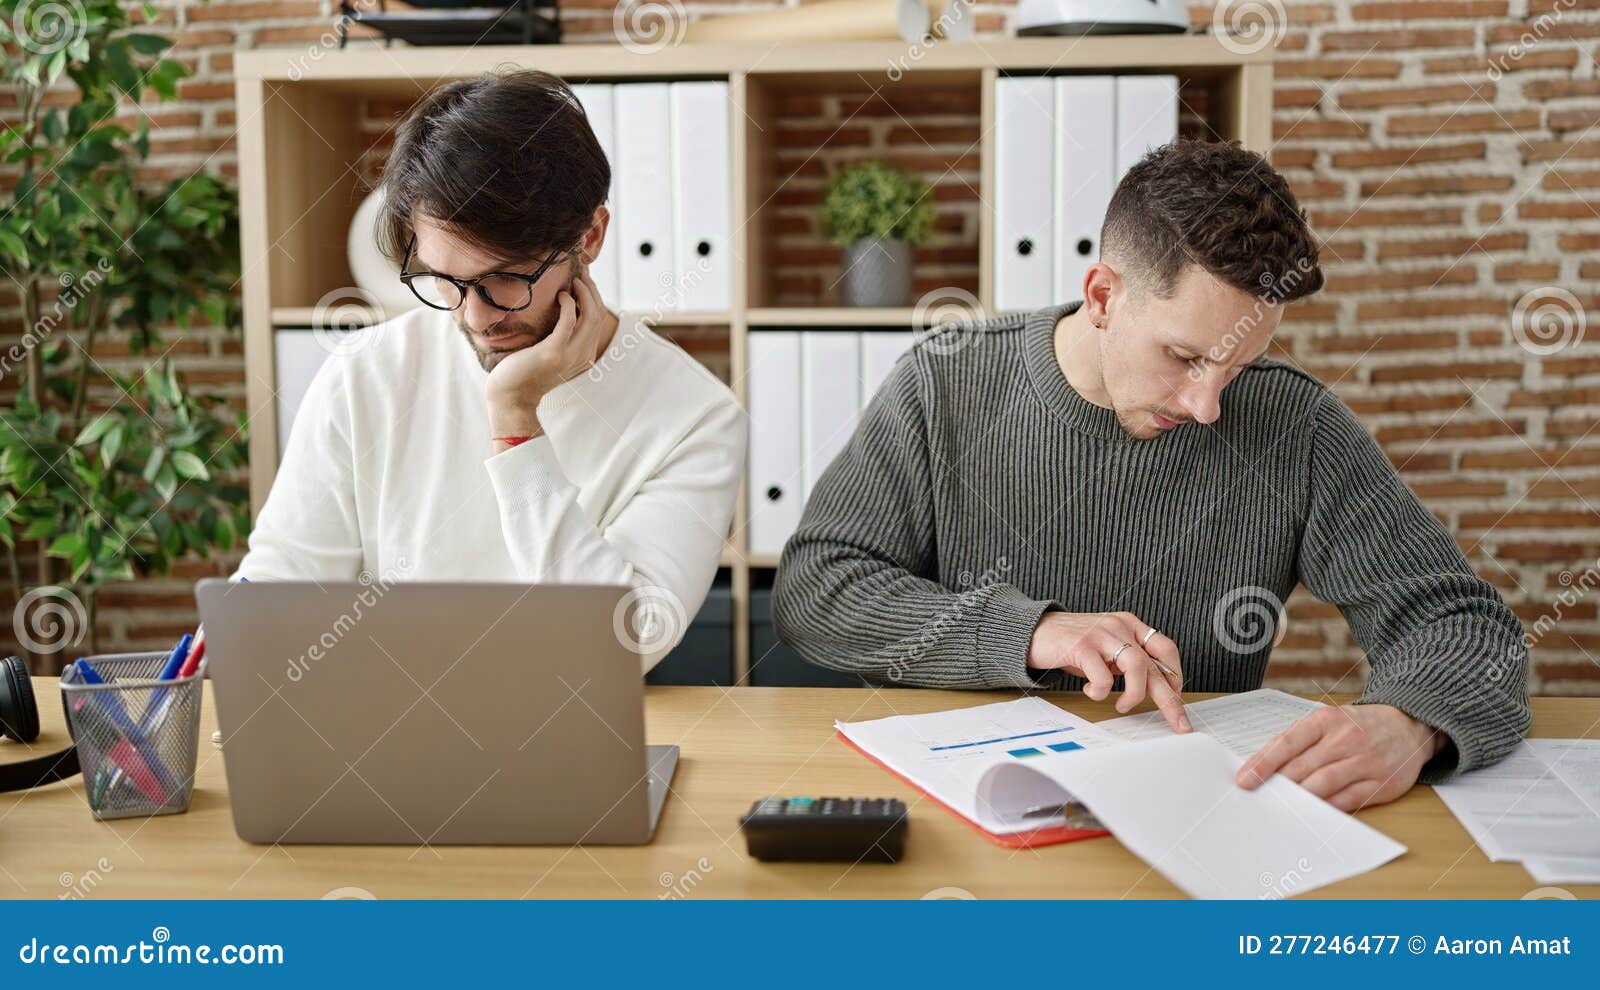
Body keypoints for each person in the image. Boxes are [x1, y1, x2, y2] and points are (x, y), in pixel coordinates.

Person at [772, 138, 1529, 810]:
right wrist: (1029, 631)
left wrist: (1413, 725)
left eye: (1239, 364)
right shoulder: (945, 384)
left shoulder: (1294, 428)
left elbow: (1468, 628)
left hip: (1197, 819)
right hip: (967, 817)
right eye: (1185, 357)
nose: (1207, 406)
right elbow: (817, 590)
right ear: (1103, 296)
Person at [236, 69, 746, 667]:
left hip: (570, 739)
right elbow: (277, 591)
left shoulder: (696, 418)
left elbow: (624, 644)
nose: (475, 315)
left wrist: (515, 418)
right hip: (386, 740)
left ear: (591, 237)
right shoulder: (364, 376)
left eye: (505, 277)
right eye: (445, 280)